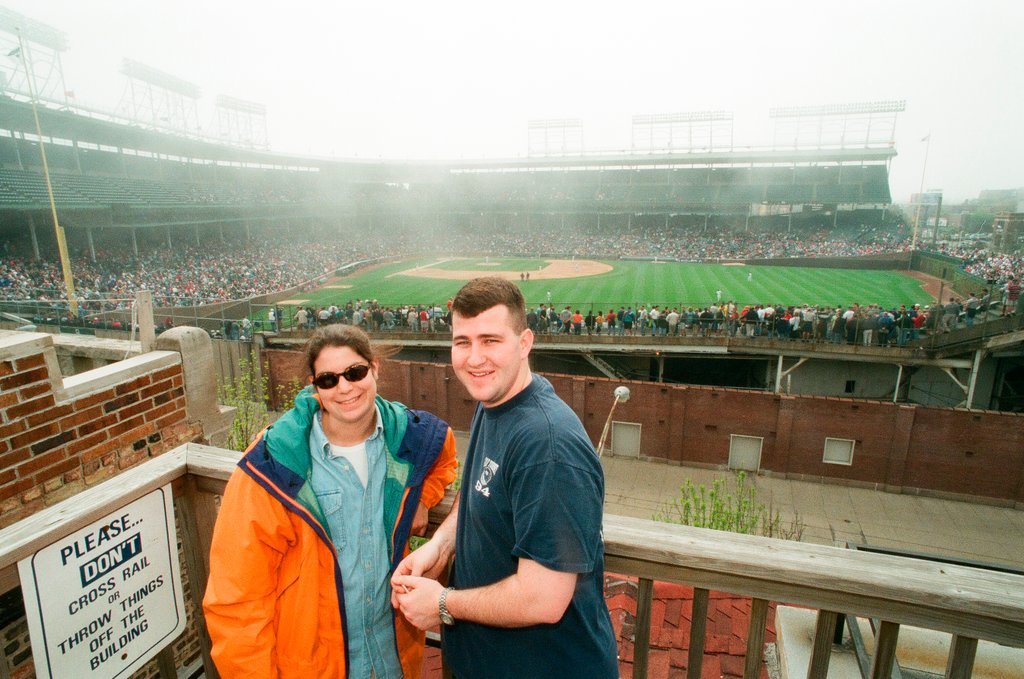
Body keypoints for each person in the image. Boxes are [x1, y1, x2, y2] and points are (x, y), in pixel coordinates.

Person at [391, 277, 618, 678]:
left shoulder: (548, 447)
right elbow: (476, 491)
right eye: (463, 342)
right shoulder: (492, 402)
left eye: (490, 340)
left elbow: (544, 599)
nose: (474, 358)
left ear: (525, 343)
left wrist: (443, 604)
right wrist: (439, 547)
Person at [203, 324, 458, 678]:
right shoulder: (274, 465)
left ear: (375, 368)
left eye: (355, 372)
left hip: (393, 657)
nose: (345, 387)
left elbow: (444, 457)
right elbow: (238, 600)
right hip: (315, 664)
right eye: (328, 380)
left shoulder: (409, 436)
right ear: (314, 386)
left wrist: (423, 498)